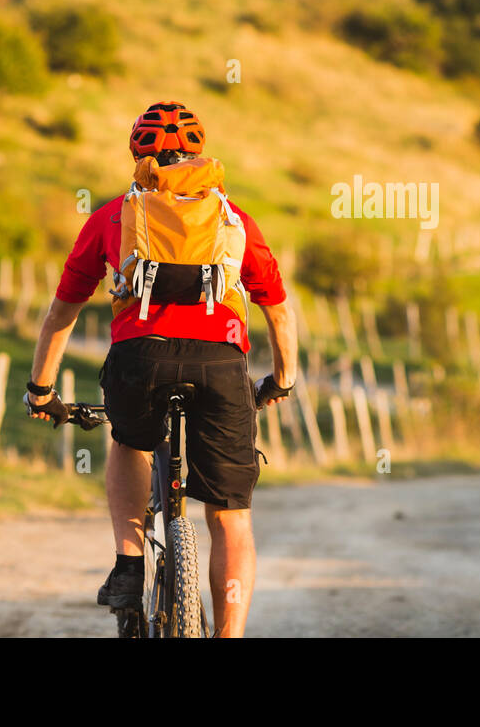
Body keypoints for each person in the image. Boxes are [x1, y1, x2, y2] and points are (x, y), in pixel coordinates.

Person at [22, 101, 297, 638]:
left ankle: (128, 565)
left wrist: (41, 390)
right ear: (199, 152)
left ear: (136, 155)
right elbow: (278, 310)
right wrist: (281, 380)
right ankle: (230, 635)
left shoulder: (112, 217)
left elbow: (63, 311)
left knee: (130, 443)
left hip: (139, 359)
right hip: (221, 365)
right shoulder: (233, 219)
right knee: (230, 514)